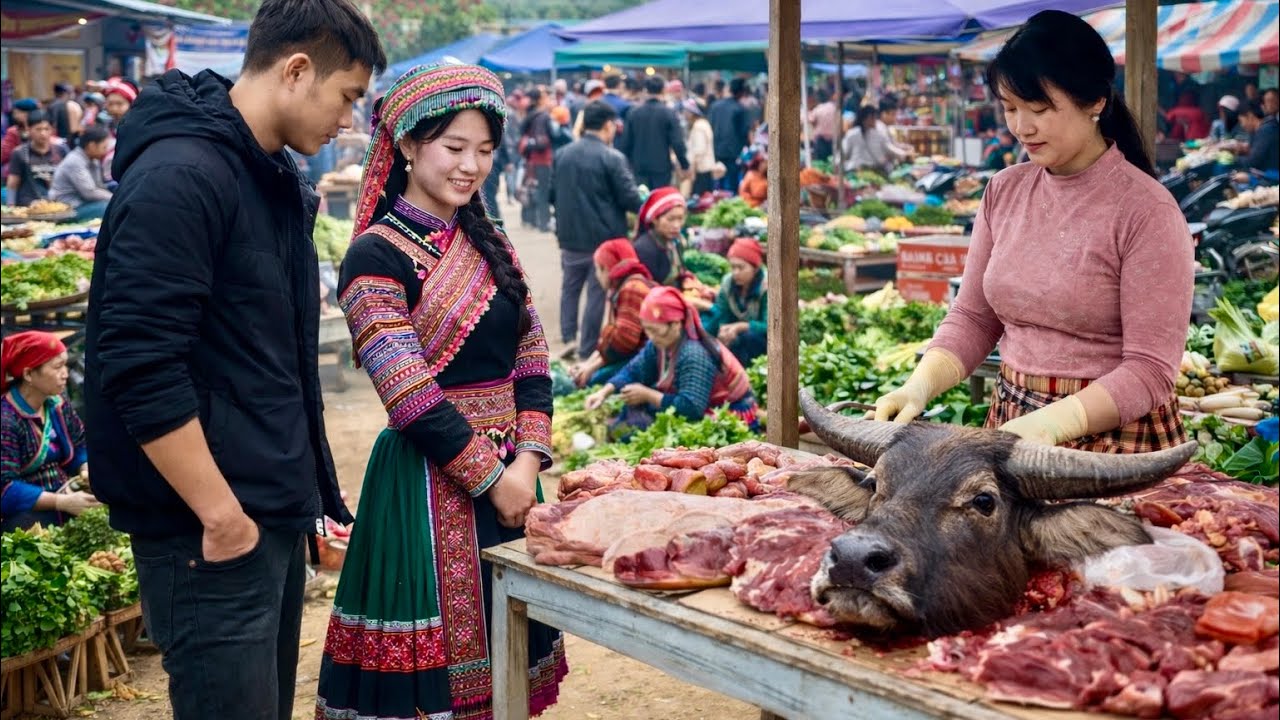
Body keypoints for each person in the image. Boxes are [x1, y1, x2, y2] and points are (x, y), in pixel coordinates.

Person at [82, 1, 386, 718]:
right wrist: (221, 516)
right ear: (296, 70)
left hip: (262, 513)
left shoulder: (267, 172)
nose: (347, 123)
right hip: (208, 531)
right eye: (345, 98)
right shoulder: (182, 177)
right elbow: (138, 363)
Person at [315, 63, 566, 720]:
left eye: (484, 150)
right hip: (428, 485)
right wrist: (497, 478)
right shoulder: (375, 253)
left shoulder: (491, 240)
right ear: (406, 146)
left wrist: (530, 461)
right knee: (439, 694)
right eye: (455, 147)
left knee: (508, 667)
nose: (472, 166)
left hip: (514, 474)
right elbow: (409, 394)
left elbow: (534, 355)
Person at [874, 10, 1193, 455]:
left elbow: (1150, 371)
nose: (1021, 126)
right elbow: (973, 317)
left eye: (1039, 109)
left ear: (1096, 101)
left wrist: (1052, 424)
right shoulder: (1004, 190)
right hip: (1011, 419)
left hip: (1117, 442)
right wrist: (918, 386)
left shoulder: (1147, 211)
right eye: (1009, 108)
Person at [584, 286, 759, 433]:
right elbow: (634, 369)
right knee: (634, 412)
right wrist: (603, 392)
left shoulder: (693, 353)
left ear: (675, 325)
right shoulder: (660, 343)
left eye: (655, 330)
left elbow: (691, 408)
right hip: (700, 406)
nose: (651, 337)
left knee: (645, 421)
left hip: (728, 415)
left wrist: (648, 395)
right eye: (647, 330)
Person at [551, 100, 645, 361]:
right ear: (607, 126)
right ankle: (587, 348)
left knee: (570, 287)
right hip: (602, 239)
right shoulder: (612, 157)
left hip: (569, 236)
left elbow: (551, 194)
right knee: (596, 292)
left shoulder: (562, 154)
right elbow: (630, 199)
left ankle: (569, 337)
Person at [1, 331, 100, 532]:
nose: (65, 373)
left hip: (67, 491)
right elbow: (4, 489)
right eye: (57, 367)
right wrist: (61, 502)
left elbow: (79, 443)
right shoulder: (6, 419)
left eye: (65, 364)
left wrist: (85, 468)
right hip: (28, 511)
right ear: (29, 374)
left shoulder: (57, 404)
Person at [571, 238, 658, 387]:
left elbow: (622, 345)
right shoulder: (621, 287)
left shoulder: (632, 289)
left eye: (598, 269)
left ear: (606, 268)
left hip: (645, 362)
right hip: (631, 356)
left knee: (592, 381)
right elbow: (609, 343)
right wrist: (587, 365)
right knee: (584, 376)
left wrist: (591, 368)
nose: (597, 276)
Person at [702, 238, 767, 367]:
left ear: (755, 268)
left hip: (764, 341)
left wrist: (740, 326)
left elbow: (771, 326)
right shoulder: (728, 283)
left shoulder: (767, 287)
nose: (736, 273)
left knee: (748, 337)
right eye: (733, 267)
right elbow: (720, 311)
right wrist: (722, 328)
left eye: (741, 268)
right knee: (706, 327)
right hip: (735, 332)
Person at [619, 74, 691, 191]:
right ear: (663, 90)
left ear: (645, 90)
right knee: (659, 202)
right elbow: (677, 142)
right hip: (661, 166)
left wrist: (625, 165)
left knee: (642, 201)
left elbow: (626, 142)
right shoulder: (669, 113)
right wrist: (684, 164)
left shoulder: (634, 113)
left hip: (639, 166)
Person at [49, 125, 112, 220]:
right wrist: (115, 199)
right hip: (69, 209)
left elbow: (99, 186)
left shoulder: (94, 160)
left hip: (83, 203)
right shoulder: (75, 161)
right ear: (92, 146)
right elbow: (90, 193)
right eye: (104, 147)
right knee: (108, 207)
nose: (106, 150)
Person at [632, 185, 690, 286]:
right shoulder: (645, 249)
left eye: (680, 219)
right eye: (670, 219)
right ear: (655, 220)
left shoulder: (675, 242)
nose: (676, 225)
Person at [5, 110, 65, 207]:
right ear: (28, 129)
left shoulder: (60, 151)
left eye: (46, 129)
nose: (43, 133)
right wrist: (10, 206)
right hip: (28, 205)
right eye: (38, 129)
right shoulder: (19, 153)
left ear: (52, 130)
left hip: (57, 205)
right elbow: (12, 184)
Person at [518, 86, 554, 232]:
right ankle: (543, 223)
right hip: (542, 158)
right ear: (540, 99)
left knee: (532, 188)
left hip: (530, 158)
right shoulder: (542, 116)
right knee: (542, 191)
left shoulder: (528, 114)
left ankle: (530, 219)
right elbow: (543, 140)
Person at [709, 78, 750, 192]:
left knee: (717, 184)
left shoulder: (715, 106)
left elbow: (710, 126)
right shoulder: (740, 109)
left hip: (715, 151)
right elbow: (743, 133)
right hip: (733, 153)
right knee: (732, 185)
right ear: (741, 92)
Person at [843, 105, 909, 174]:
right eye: (873, 118)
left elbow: (889, 148)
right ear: (866, 118)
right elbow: (889, 149)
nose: (875, 121)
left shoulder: (876, 134)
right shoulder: (854, 134)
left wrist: (904, 154)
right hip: (861, 170)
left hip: (865, 170)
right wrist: (904, 154)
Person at [1236, 101, 1279, 180]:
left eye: (1241, 121)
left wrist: (1235, 156)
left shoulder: (1266, 130)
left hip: (1272, 177)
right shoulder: (1267, 127)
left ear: (1250, 116)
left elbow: (1252, 162)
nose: (1242, 126)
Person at [683, 97, 717, 196]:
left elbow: (699, 151)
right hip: (703, 169)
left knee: (700, 200)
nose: (685, 113)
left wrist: (692, 170)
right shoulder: (702, 124)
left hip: (701, 170)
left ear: (693, 113)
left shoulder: (699, 127)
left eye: (687, 111)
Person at [1, 98, 39, 179]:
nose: (15, 116)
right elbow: (4, 154)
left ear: (27, 113)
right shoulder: (13, 131)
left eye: (17, 113)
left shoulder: (13, 132)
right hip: (19, 173)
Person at [48, 83, 83, 149]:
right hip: (62, 139)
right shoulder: (57, 105)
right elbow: (53, 124)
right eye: (71, 92)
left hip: (65, 138)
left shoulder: (60, 104)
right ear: (65, 93)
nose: (73, 94)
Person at [808, 88, 837, 162]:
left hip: (821, 140)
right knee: (832, 161)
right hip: (833, 138)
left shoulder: (818, 109)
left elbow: (811, 120)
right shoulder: (833, 107)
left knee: (821, 163)